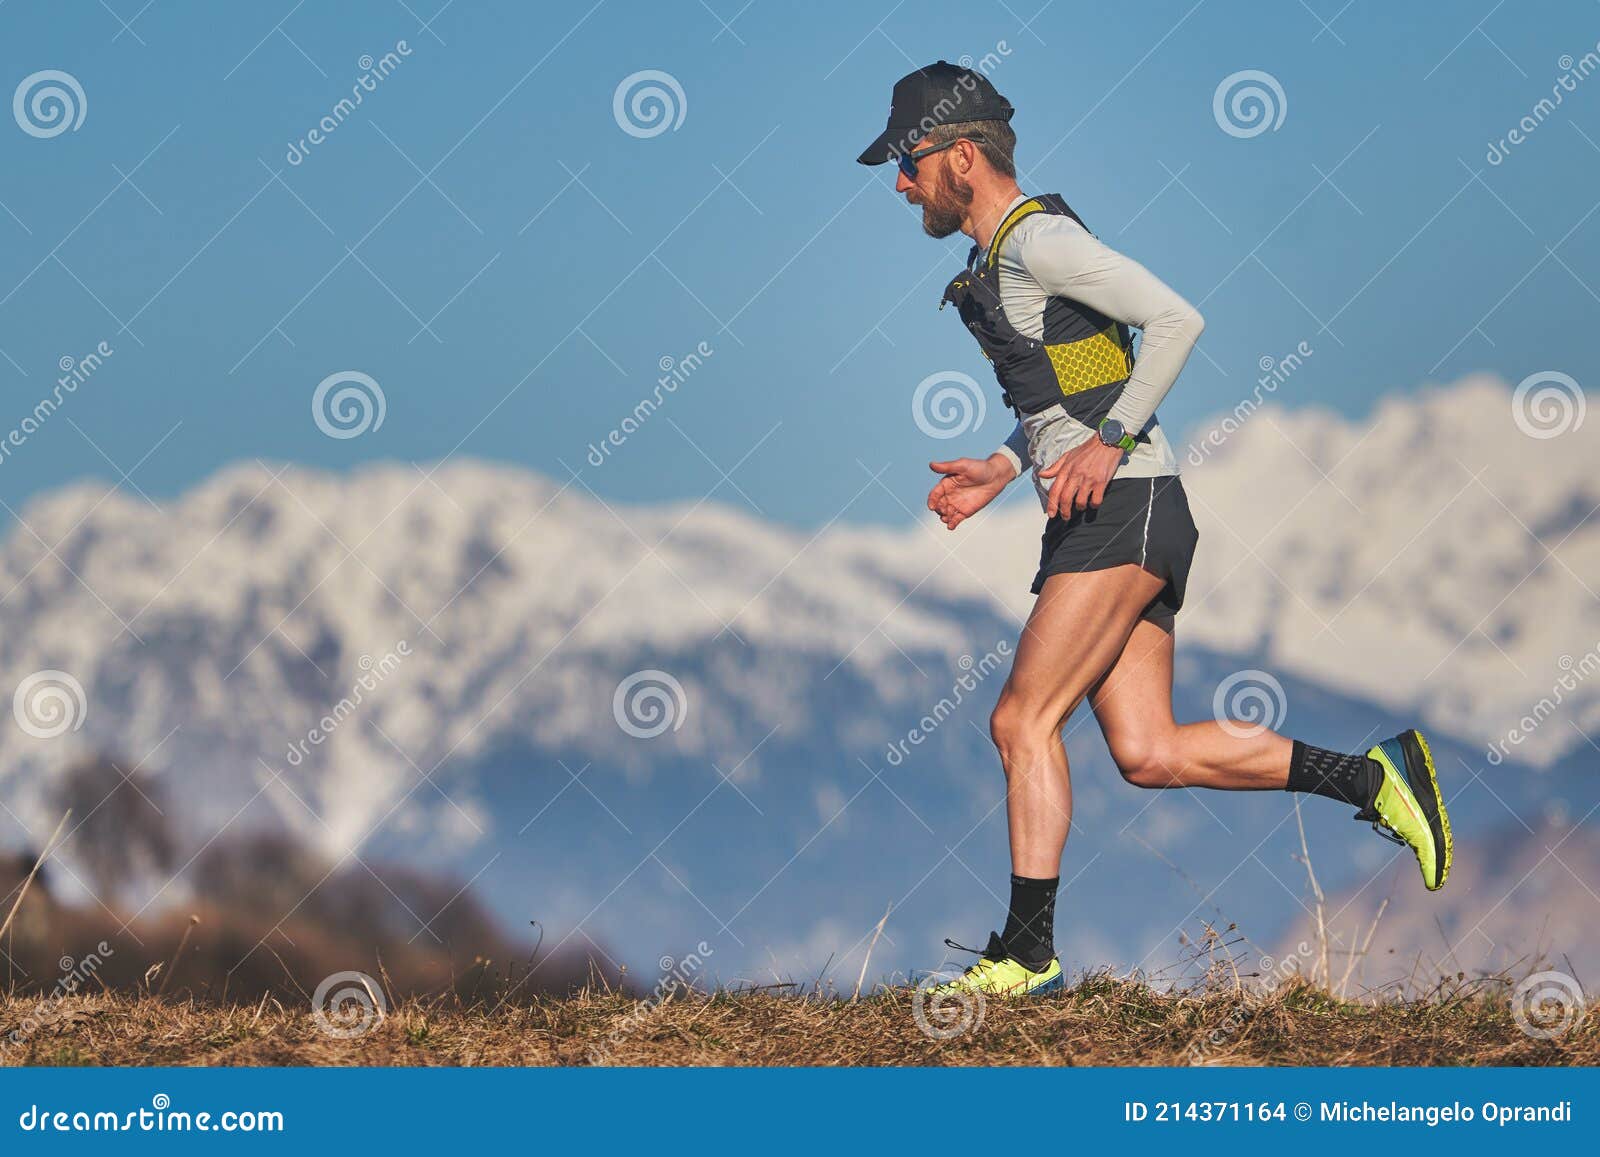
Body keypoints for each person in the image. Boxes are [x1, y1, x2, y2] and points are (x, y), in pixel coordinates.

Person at [857, 62, 1452, 997]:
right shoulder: (1006, 258)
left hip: (1125, 509)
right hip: (1119, 510)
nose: (899, 183)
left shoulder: (1038, 242)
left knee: (1022, 718)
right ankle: (1377, 779)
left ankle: (1027, 954)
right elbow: (1076, 387)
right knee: (1147, 750)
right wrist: (1005, 468)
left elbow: (1177, 318)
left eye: (908, 162)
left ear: (961, 155)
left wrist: (1113, 439)